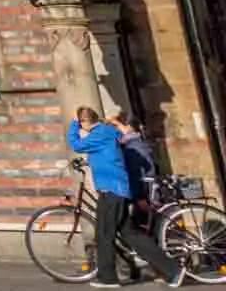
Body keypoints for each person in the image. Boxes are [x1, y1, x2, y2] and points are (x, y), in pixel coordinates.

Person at [69, 106, 186, 289]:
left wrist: (73, 125)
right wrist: (88, 161)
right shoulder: (106, 133)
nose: (79, 126)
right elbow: (106, 154)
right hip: (118, 189)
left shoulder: (99, 134)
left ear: (84, 122)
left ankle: (107, 278)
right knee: (130, 234)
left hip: (111, 190)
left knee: (104, 233)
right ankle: (173, 271)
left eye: (80, 122)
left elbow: (76, 145)